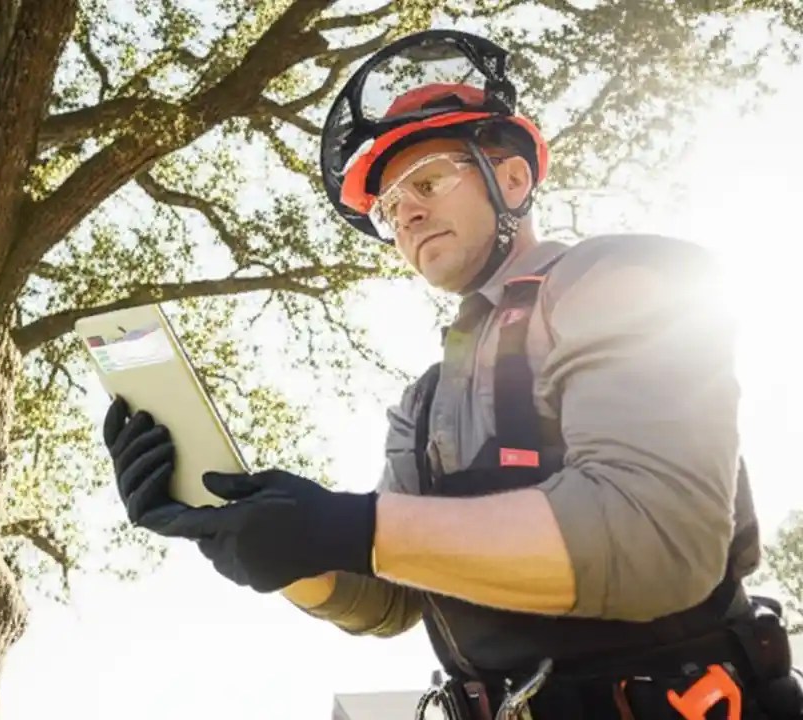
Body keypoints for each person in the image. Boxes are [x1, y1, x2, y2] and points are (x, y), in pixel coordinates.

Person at [101, 29, 800, 720]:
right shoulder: (424, 400)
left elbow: (655, 538)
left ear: (513, 178)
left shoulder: (623, 277)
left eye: (426, 180)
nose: (404, 212)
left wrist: (347, 526)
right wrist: (259, 536)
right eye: (387, 206)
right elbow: (391, 598)